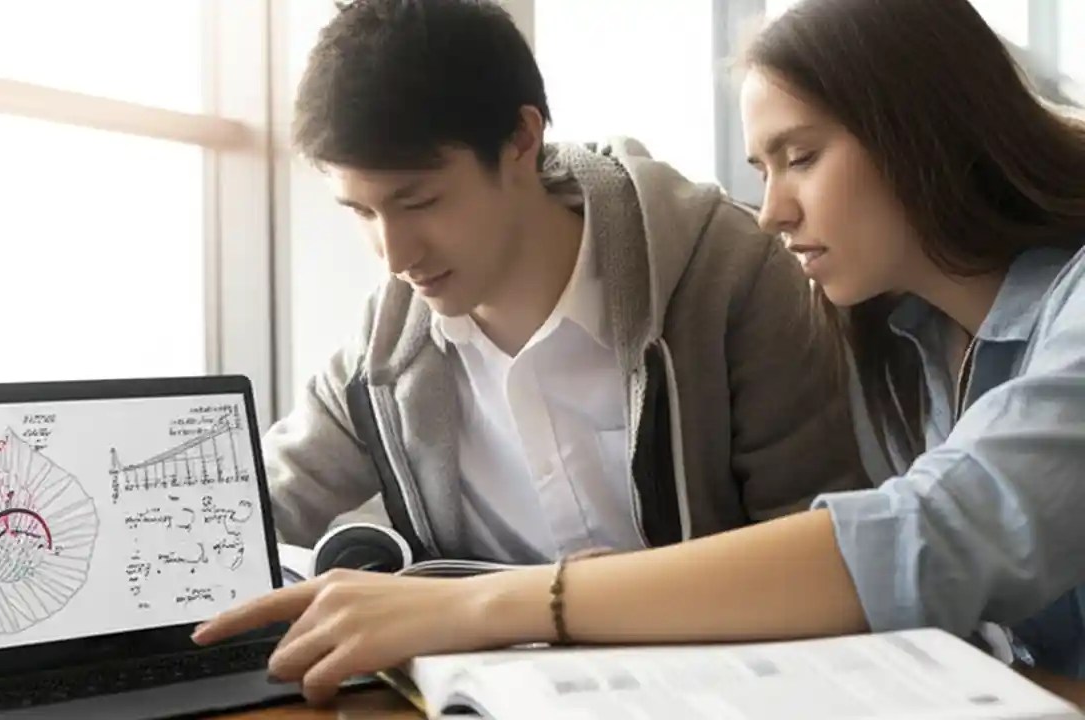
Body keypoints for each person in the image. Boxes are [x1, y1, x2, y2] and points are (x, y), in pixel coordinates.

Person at [193, 0, 1085, 703]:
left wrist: (475, 606)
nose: (771, 211)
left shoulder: (737, 278)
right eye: (761, 168)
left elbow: (917, 541)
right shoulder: (913, 341)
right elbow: (252, 506)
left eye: (800, 156)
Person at [263, 0, 865, 569]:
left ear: (522, 141)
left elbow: (817, 550)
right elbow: (258, 506)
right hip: (481, 677)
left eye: (419, 201)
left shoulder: (728, 276)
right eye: (362, 214)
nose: (394, 255)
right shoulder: (387, 348)